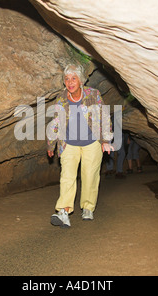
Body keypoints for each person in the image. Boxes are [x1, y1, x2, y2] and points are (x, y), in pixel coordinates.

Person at [47, 64, 113, 228]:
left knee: (90, 176)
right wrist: (51, 144)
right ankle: (63, 211)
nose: (70, 82)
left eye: (73, 78)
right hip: (68, 143)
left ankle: (88, 207)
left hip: (92, 143)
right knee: (67, 177)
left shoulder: (93, 94)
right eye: (67, 79)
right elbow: (55, 122)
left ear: (81, 80)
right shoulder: (61, 98)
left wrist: (105, 140)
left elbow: (104, 117)